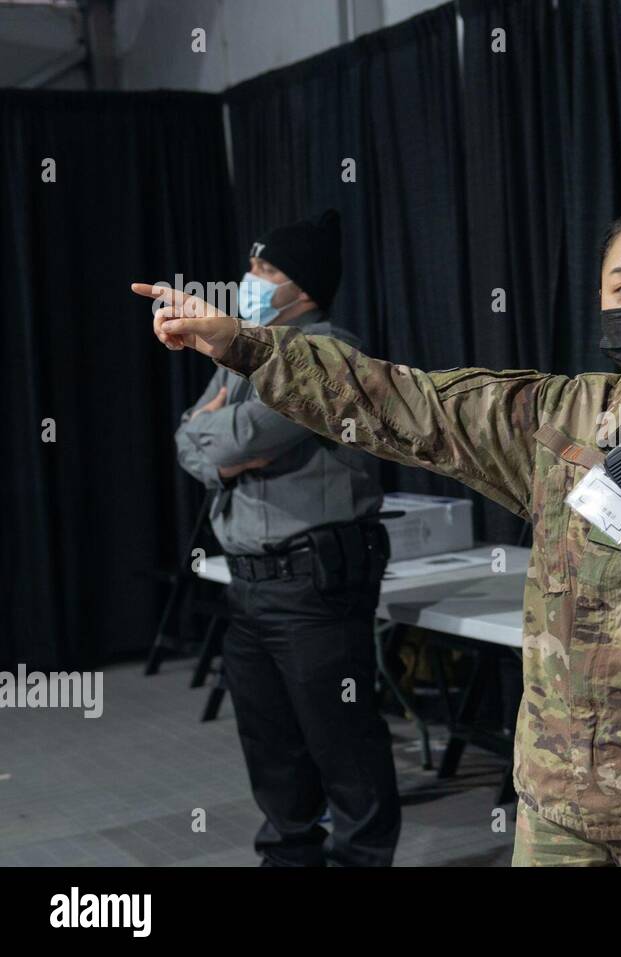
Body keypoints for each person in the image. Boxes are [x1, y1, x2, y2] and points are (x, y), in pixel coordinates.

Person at [135, 197, 621, 867]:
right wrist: (245, 343)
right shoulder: (558, 422)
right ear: (601, 302)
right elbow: (401, 399)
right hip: (556, 820)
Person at [172, 210, 400, 866]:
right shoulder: (243, 346)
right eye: (254, 266)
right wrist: (218, 439)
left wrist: (220, 438)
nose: (250, 278)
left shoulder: (327, 352)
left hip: (312, 580)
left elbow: (238, 438)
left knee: (343, 740)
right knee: (272, 742)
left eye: (267, 269)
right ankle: (288, 856)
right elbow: (191, 442)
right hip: (250, 582)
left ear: (303, 286)